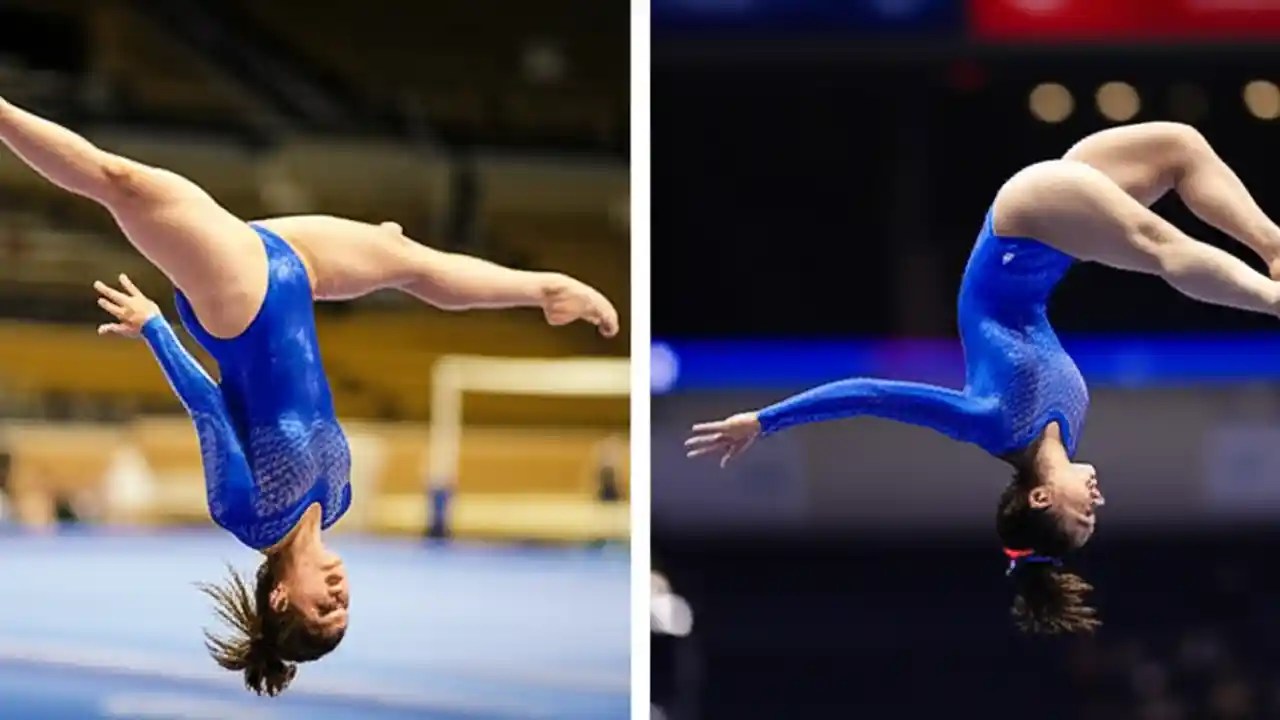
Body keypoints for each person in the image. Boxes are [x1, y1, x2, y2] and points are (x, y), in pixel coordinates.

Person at [0, 95, 619, 695]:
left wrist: (156, 328)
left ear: (279, 597)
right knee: (407, 259)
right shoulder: (339, 500)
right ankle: (545, 291)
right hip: (296, 279)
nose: (340, 597)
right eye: (344, 610)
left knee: (122, 182)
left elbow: (209, 407)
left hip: (239, 302)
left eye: (322, 608)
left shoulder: (246, 515)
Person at [685, 122, 1280, 635]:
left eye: (1084, 515)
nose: (1097, 502)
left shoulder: (991, 422)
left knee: (1158, 246)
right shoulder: (1067, 434)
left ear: (1041, 497)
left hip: (1024, 227)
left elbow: (870, 394)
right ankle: (1274, 249)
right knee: (1180, 149)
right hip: (1057, 240)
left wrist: (765, 420)